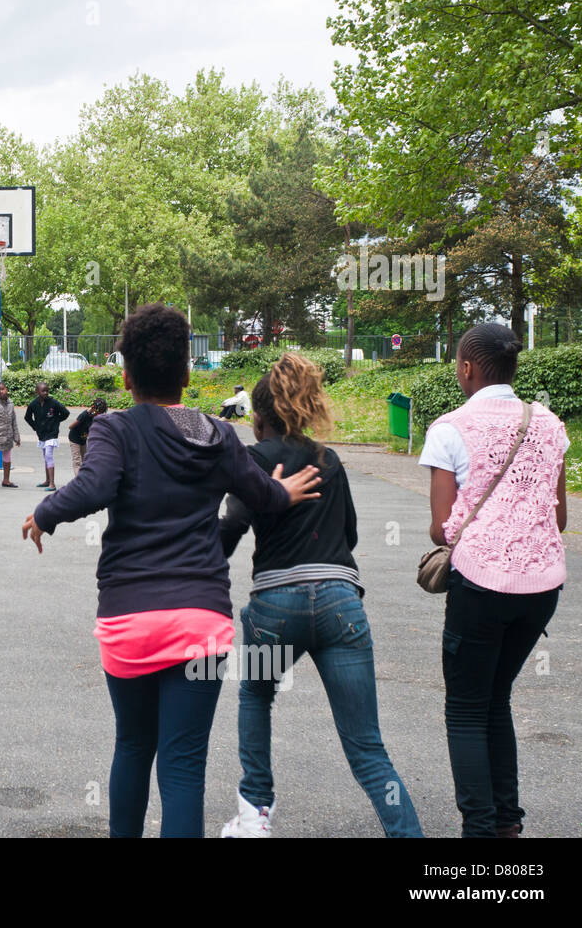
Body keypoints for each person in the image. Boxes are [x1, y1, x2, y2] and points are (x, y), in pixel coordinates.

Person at [20, 305, 321, 838]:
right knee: (183, 766)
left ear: (126, 376)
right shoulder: (218, 434)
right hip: (201, 624)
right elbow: (262, 497)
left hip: (127, 622)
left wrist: (44, 513)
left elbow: (93, 488)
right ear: (187, 372)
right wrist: (287, 490)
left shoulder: (114, 429)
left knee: (132, 747)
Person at [218, 353, 422, 838]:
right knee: (368, 748)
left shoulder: (253, 460)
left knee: (256, 694)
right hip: (340, 603)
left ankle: (256, 811)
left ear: (258, 418)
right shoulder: (330, 461)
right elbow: (348, 536)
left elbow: (227, 532)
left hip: (275, 608)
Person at [418, 323, 567, 838]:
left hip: (481, 586)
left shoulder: (449, 427)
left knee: (464, 709)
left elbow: (440, 527)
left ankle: (479, 832)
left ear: (467, 367)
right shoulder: (549, 424)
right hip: (542, 588)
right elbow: (559, 517)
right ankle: (507, 824)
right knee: (495, 697)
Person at [25, 382, 71, 491]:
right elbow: (27, 417)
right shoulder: (33, 404)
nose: (45, 393)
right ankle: (47, 481)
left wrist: (56, 421)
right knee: (46, 456)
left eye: (47, 390)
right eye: (43, 391)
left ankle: (52, 484)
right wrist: (34, 426)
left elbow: (66, 413)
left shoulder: (53, 403)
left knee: (49, 456)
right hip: (41, 434)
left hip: (52, 433)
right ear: (37, 392)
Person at [68, 398, 109, 477]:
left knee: (85, 460)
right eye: (98, 412)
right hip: (74, 439)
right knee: (77, 461)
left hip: (83, 440)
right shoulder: (84, 415)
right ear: (93, 407)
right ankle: (79, 481)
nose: (99, 414)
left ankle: (86, 478)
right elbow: (71, 426)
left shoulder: (95, 416)